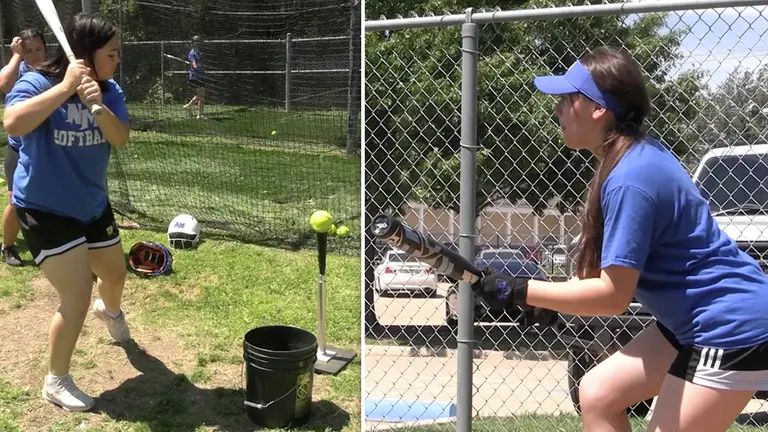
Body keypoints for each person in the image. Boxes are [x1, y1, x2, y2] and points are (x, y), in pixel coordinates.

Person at [475, 46, 768, 432]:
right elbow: (600, 278)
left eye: (567, 99)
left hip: (729, 327)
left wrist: (522, 290)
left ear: (599, 109)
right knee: (598, 393)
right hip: (694, 320)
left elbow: (614, 296)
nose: (558, 109)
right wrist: (551, 298)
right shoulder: (629, 159)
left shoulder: (632, 178)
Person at [2, 13, 131, 412]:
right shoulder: (38, 81)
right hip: (45, 208)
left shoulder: (109, 91)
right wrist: (66, 88)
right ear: (87, 56)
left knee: (115, 274)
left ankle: (109, 311)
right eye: (112, 54)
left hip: (91, 205)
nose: (118, 60)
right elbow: (13, 121)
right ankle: (56, 381)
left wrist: (95, 106)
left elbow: (121, 139)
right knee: (76, 295)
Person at [0, 28, 48, 266]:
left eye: (39, 49)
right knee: (15, 201)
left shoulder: (52, 72)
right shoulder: (17, 69)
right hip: (19, 150)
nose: (35, 55)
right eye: (28, 50)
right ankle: (7, 246)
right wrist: (17, 56)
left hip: (45, 149)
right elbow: (4, 85)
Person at [182, 35, 205, 119]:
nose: (198, 44)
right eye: (197, 42)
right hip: (195, 77)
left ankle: (188, 106)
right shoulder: (192, 53)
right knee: (202, 96)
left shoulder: (198, 53)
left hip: (200, 76)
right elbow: (194, 65)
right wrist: (196, 66)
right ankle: (200, 114)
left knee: (201, 95)